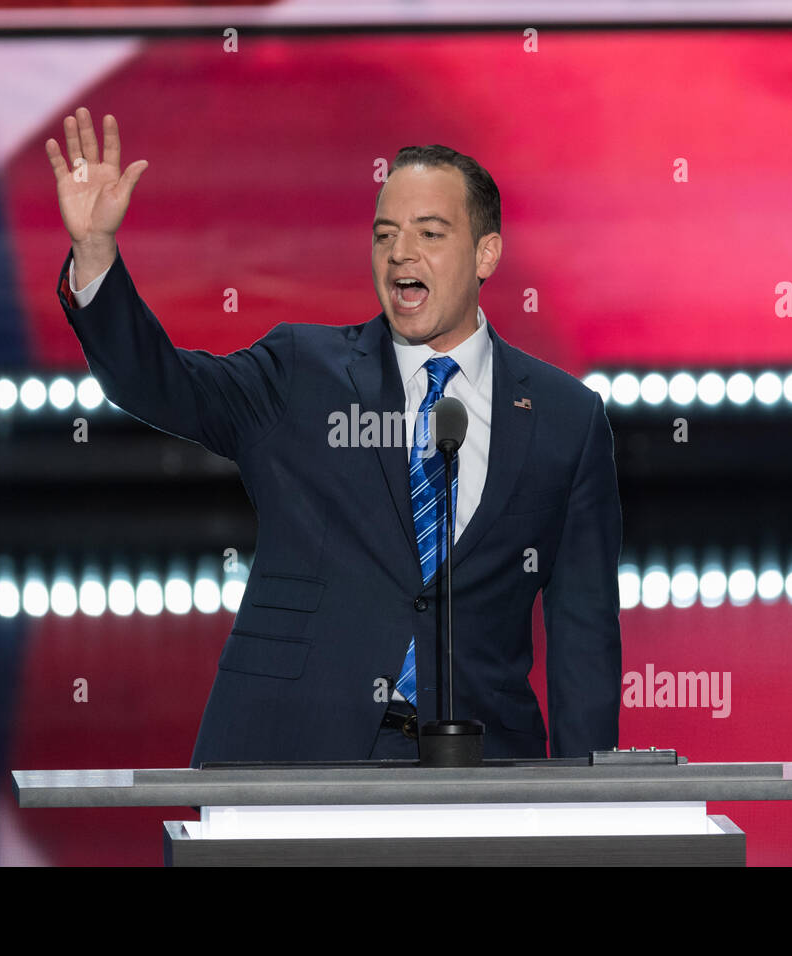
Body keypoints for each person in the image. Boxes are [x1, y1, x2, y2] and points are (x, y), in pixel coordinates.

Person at [46, 107, 623, 765]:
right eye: (385, 235)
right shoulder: (301, 373)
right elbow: (157, 384)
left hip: (482, 766)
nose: (401, 253)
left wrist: (593, 793)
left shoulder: (565, 417)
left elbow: (585, 638)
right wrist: (95, 252)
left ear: (486, 251)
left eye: (429, 233)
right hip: (292, 754)